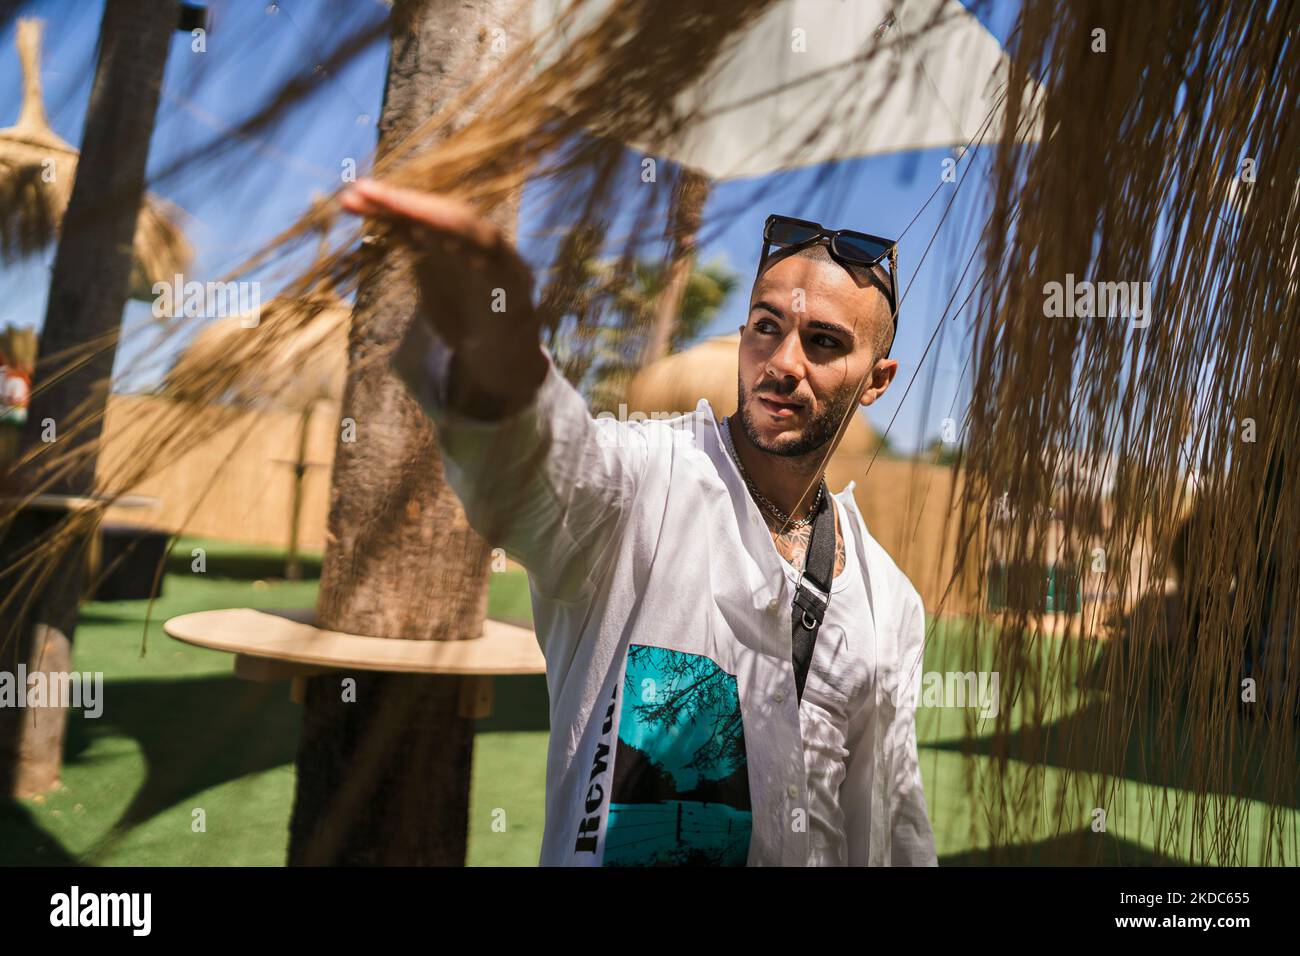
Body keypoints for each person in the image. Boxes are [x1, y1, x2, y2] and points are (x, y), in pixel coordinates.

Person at [341, 178, 937, 867]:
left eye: (825, 342)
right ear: (743, 335)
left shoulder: (888, 600)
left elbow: (889, 818)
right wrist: (491, 338)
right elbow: (535, 466)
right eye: (767, 328)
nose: (782, 364)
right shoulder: (642, 484)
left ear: (877, 379)